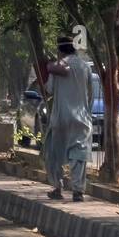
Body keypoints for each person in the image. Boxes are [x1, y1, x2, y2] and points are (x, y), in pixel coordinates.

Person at [42, 36, 93, 202]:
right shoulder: (85, 67)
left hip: (61, 118)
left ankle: (57, 187)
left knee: (54, 153)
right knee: (78, 155)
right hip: (81, 118)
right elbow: (90, 93)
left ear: (60, 50)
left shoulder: (58, 66)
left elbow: (49, 90)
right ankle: (77, 191)